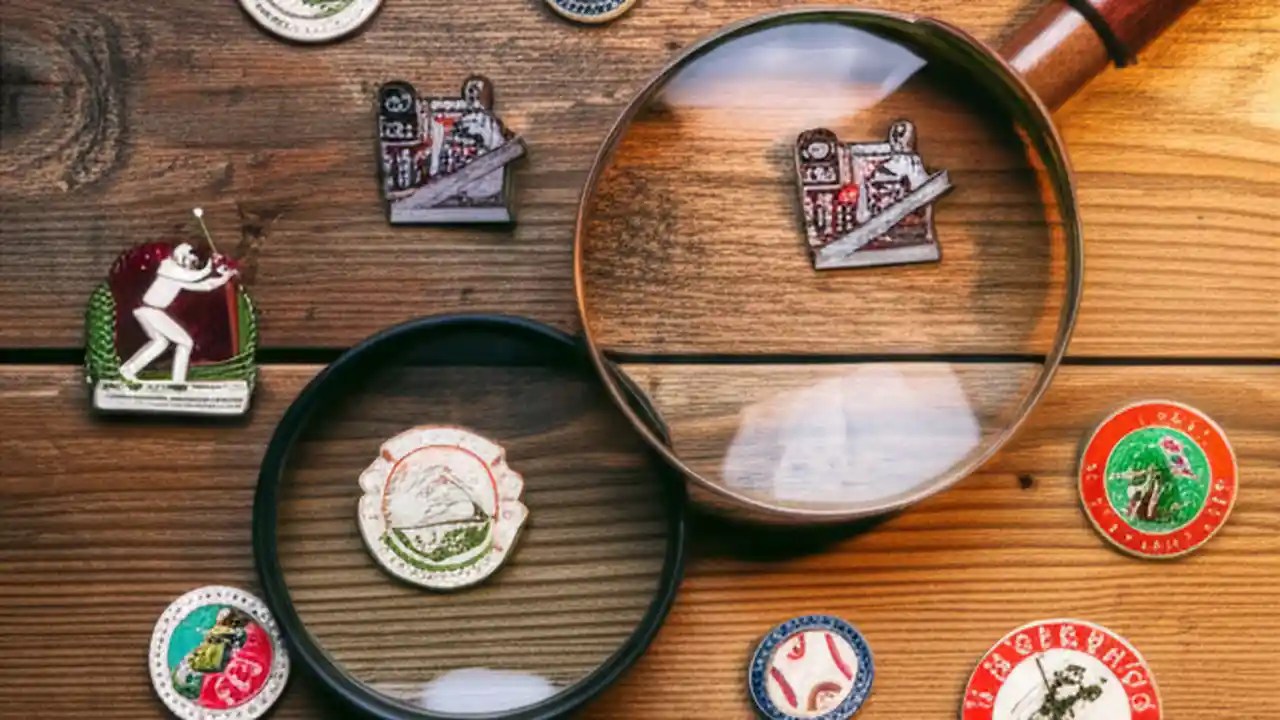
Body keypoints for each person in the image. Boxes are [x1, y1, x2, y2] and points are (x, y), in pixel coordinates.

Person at [118, 243, 236, 384]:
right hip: (149, 311)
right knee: (186, 342)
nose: (191, 264)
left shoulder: (178, 275)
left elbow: (205, 286)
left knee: (160, 343)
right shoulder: (168, 267)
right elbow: (194, 276)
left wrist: (225, 276)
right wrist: (212, 263)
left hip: (151, 311)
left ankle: (128, 369)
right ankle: (178, 383)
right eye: (189, 260)